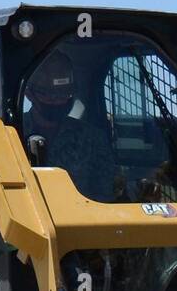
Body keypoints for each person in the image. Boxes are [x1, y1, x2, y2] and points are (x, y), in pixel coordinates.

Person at [22, 49, 118, 202]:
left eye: (64, 94)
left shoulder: (92, 138)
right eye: (49, 94)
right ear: (29, 94)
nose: (57, 101)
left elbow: (107, 192)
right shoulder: (12, 134)